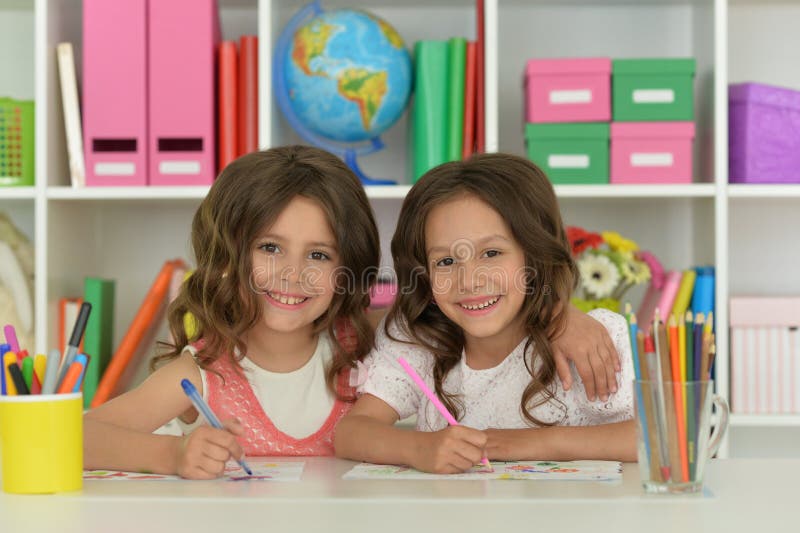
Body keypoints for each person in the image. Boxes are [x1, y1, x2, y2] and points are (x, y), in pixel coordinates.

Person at [83, 145, 381, 479]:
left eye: (319, 255)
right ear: (225, 257)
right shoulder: (202, 373)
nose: (292, 274)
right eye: (270, 248)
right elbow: (76, 438)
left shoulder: (368, 347)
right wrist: (173, 455)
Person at [335, 153, 636, 474]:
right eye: (446, 262)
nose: (470, 281)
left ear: (533, 257)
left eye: (491, 253)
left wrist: (517, 443)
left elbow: (658, 434)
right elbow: (351, 433)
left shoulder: (589, 338)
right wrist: (418, 448)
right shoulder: (419, 342)